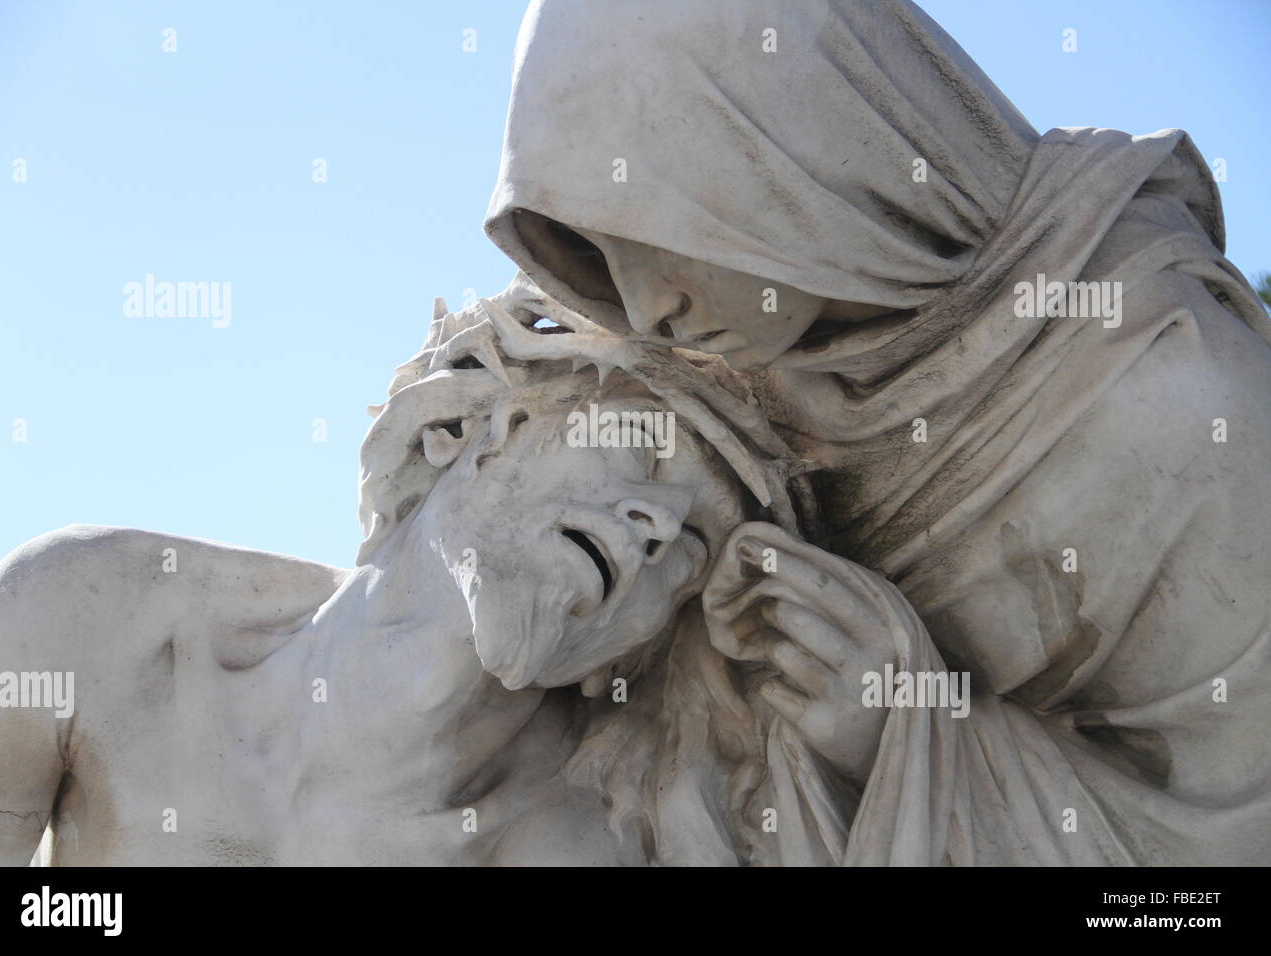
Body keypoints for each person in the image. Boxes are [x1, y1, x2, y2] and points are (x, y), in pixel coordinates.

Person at [483, 0, 1271, 863]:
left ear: (794, 147)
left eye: (660, 232)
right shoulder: (715, 370)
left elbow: (1213, 863)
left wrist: (908, 734)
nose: (642, 309)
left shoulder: (1183, 405)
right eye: (597, 250)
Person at [0, 282, 883, 865]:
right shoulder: (87, 617)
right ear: (472, 432)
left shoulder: (577, 842)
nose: (658, 527)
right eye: (638, 457)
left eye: (692, 550)